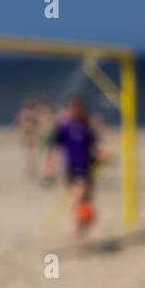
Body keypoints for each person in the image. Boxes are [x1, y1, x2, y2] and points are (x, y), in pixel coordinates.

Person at [52, 96, 109, 247]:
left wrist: (102, 153)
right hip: (74, 169)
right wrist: (50, 165)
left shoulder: (87, 128)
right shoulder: (66, 127)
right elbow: (55, 145)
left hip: (88, 168)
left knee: (87, 204)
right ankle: (74, 231)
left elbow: (94, 146)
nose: (76, 111)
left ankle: (79, 232)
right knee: (79, 195)